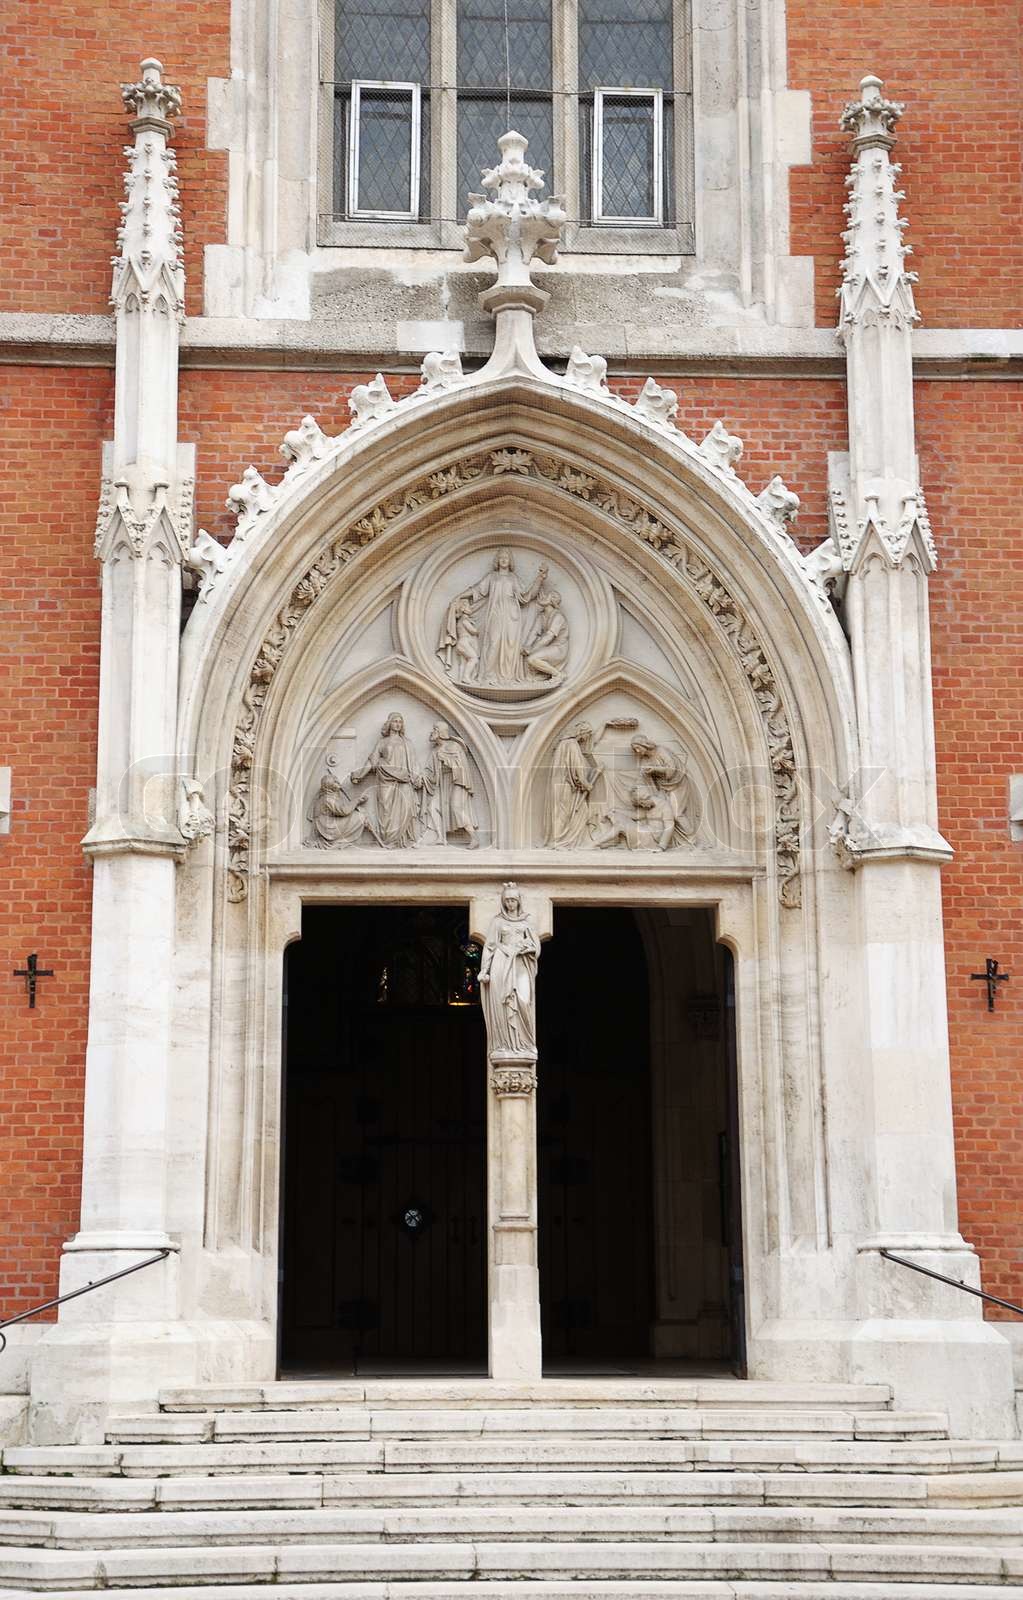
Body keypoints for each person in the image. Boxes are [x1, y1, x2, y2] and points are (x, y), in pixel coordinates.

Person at [478, 883, 540, 1057]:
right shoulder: (497, 921)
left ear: (519, 901)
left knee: (523, 1001)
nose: (510, 904)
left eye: (513, 900)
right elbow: (490, 946)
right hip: (501, 964)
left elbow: (535, 945)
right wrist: (484, 970)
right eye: (507, 901)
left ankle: (524, 1043)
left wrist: (526, 948)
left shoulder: (526, 921)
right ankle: (504, 1044)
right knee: (502, 1003)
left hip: (520, 965)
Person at [349, 712, 423, 848]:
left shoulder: (407, 743)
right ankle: (389, 840)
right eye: (395, 721)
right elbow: (372, 761)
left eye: (400, 722)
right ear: (389, 723)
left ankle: (406, 840)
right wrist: (359, 774)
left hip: (404, 780)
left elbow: (414, 763)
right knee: (386, 810)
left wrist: (417, 777)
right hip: (386, 780)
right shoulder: (382, 742)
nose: (398, 724)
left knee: (406, 809)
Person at [421, 721, 478, 845]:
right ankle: (441, 837)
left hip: (457, 783)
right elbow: (429, 772)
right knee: (432, 807)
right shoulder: (435, 751)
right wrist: (421, 778)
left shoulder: (454, 746)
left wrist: (447, 761)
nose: (432, 732)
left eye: (434, 729)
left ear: (441, 732)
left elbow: (462, 767)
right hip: (442, 785)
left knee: (456, 807)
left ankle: (474, 837)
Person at [545, 721, 600, 847]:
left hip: (561, 784)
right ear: (582, 732)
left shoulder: (563, 744)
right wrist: (586, 784)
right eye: (587, 734)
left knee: (564, 812)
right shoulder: (572, 744)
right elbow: (577, 768)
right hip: (565, 786)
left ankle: (562, 840)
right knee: (564, 813)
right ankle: (558, 842)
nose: (587, 738)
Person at [306, 767, 369, 848]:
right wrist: (357, 801)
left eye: (337, 781)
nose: (338, 783)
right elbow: (343, 811)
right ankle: (338, 841)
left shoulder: (331, 795)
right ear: (329, 786)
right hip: (327, 827)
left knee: (359, 814)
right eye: (335, 782)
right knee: (360, 817)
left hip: (330, 822)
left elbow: (342, 807)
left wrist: (356, 801)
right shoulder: (327, 799)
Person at [522, 588, 570, 681]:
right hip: (548, 647)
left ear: (552, 600)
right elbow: (534, 633)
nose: (542, 596)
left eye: (546, 595)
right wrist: (527, 646)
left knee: (532, 659)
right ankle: (541, 675)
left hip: (559, 649)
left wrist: (532, 649)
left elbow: (549, 636)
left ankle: (558, 674)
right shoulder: (542, 616)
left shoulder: (558, 617)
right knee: (525, 660)